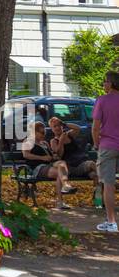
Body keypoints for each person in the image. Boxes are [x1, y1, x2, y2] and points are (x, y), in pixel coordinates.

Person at [21, 121, 70, 208]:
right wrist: (42, 158)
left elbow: (50, 155)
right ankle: (61, 200)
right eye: (42, 132)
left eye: (45, 132)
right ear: (34, 132)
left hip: (49, 165)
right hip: (37, 168)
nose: (44, 135)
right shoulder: (28, 141)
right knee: (61, 173)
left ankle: (65, 187)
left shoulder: (44, 143)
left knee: (62, 164)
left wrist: (53, 155)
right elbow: (26, 154)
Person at [93, 72, 119, 234]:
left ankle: (111, 221)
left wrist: (96, 143)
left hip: (108, 145)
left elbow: (96, 127)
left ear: (111, 83)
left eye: (105, 81)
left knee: (108, 185)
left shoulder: (102, 100)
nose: (103, 84)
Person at [46, 115, 96, 185]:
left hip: (81, 161)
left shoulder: (69, 135)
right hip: (71, 167)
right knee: (91, 164)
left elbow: (78, 128)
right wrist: (61, 141)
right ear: (52, 129)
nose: (57, 128)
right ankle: (106, 181)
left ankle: (99, 192)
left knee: (93, 174)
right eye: (54, 126)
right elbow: (59, 155)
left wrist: (64, 123)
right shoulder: (53, 141)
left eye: (58, 125)